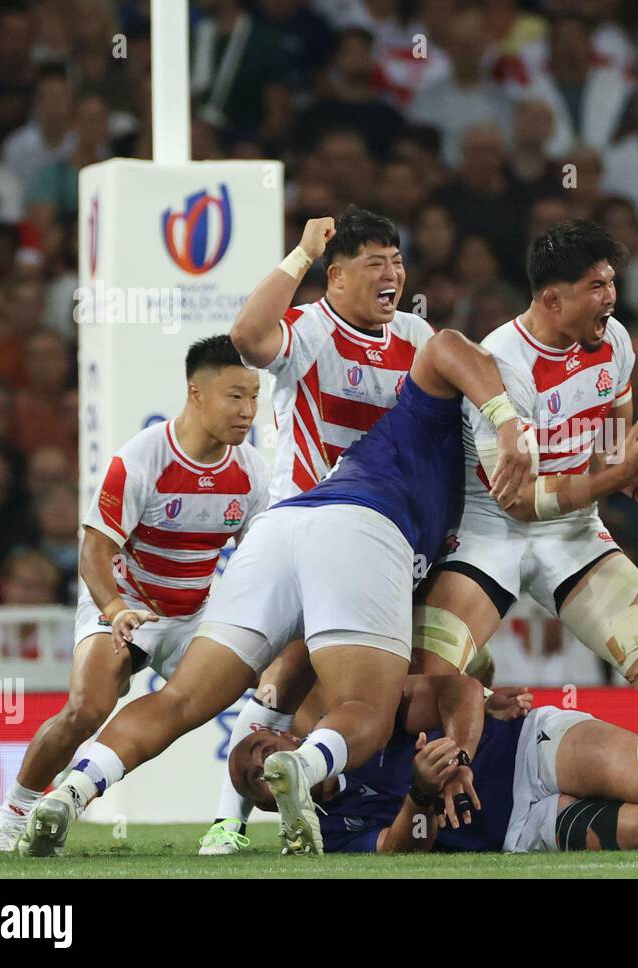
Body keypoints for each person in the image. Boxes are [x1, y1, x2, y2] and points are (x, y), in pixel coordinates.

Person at [16, 321, 535, 858]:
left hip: (282, 530)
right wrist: (508, 422)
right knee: (365, 713)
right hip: (360, 528)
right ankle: (302, 764)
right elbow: (448, 345)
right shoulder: (432, 417)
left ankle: (72, 792)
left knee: (181, 701)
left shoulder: (463, 491)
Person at [414, 221, 638, 783]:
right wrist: (619, 481)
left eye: (611, 282)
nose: (611, 297)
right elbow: (519, 501)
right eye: (595, 286)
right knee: (433, 678)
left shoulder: (614, 344)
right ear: (551, 298)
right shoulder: (502, 363)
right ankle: (429, 814)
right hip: (489, 533)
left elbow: (613, 452)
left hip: (574, 532)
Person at [198, 207, 437, 855]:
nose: (392, 274)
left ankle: (242, 818)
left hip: (379, 540)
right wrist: (299, 253)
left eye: (397, 262)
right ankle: (245, 812)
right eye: (374, 263)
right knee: (300, 684)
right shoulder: (308, 327)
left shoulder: (417, 336)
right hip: (311, 533)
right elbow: (247, 336)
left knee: (290, 684)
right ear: (335, 277)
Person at [0, 336, 271, 852]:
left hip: (193, 616)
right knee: (86, 710)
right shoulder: (142, 458)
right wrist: (114, 609)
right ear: (195, 394)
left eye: (254, 396)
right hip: (123, 600)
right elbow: (94, 551)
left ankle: (229, 826)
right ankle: (12, 816)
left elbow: (260, 565)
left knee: (273, 702)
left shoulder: (252, 473)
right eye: (234, 396)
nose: (247, 411)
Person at [230, 675, 638, 854]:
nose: (266, 768)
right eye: (257, 782)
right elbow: (405, 851)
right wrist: (422, 795)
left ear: (281, 738)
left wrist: (459, 751)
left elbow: (454, 687)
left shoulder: (358, 713)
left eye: (261, 752)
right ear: (269, 803)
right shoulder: (328, 833)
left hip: (527, 749)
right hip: (518, 832)